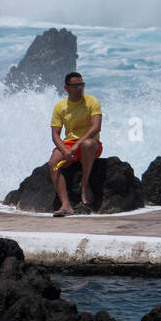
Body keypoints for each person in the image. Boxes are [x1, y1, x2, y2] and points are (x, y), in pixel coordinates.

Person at [48, 71, 102, 215]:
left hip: (89, 142)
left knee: (88, 144)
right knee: (53, 163)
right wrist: (64, 151)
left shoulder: (92, 101)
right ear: (66, 88)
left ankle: (84, 184)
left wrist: (77, 145)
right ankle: (66, 205)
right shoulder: (60, 107)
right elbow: (55, 135)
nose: (80, 88)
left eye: (82, 85)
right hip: (68, 144)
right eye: (76, 85)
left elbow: (96, 127)